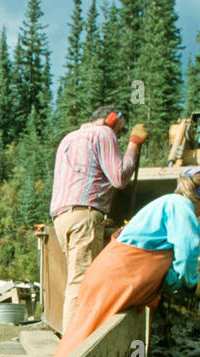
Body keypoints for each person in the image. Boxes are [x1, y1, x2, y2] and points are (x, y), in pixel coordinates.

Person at [44, 166, 200, 357]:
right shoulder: (183, 209)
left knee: (83, 332)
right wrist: (190, 284)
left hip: (108, 273)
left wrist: (172, 283)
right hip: (117, 278)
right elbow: (187, 252)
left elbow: (158, 263)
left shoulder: (167, 203)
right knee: (83, 339)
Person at [48, 105, 150, 331]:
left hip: (62, 217)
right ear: (112, 120)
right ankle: (73, 349)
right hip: (84, 215)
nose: (118, 136)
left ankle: (75, 339)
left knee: (75, 278)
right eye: (120, 131)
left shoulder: (69, 138)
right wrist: (133, 143)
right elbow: (119, 178)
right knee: (81, 282)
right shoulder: (103, 134)